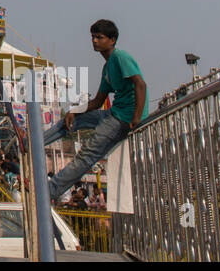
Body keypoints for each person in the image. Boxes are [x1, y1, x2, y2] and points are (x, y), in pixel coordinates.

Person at [38, 19, 147, 201]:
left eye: (99, 37)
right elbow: (97, 101)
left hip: (122, 120)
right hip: (113, 113)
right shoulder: (107, 66)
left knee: (86, 155)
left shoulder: (121, 57)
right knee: (74, 120)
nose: (95, 41)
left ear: (112, 40)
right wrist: (75, 111)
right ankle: (36, 142)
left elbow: (141, 85)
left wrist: (136, 118)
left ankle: (49, 191)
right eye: (93, 37)